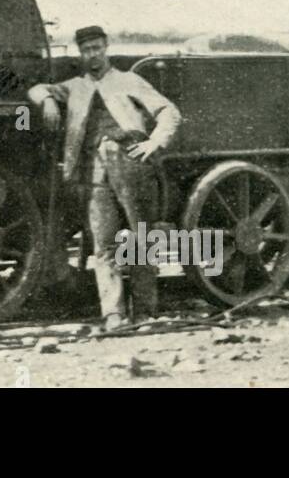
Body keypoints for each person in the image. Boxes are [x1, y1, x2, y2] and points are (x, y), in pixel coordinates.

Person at [27, 25, 181, 330]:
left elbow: (168, 111)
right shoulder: (74, 87)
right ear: (80, 53)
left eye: (97, 48)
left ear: (106, 47)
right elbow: (36, 88)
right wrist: (45, 100)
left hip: (131, 164)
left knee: (141, 240)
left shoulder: (128, 81)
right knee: (103, 244)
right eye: (86, 50)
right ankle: (113, 314)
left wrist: (154, 142)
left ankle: (146, 312)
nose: (93, 54)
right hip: (94, 171)